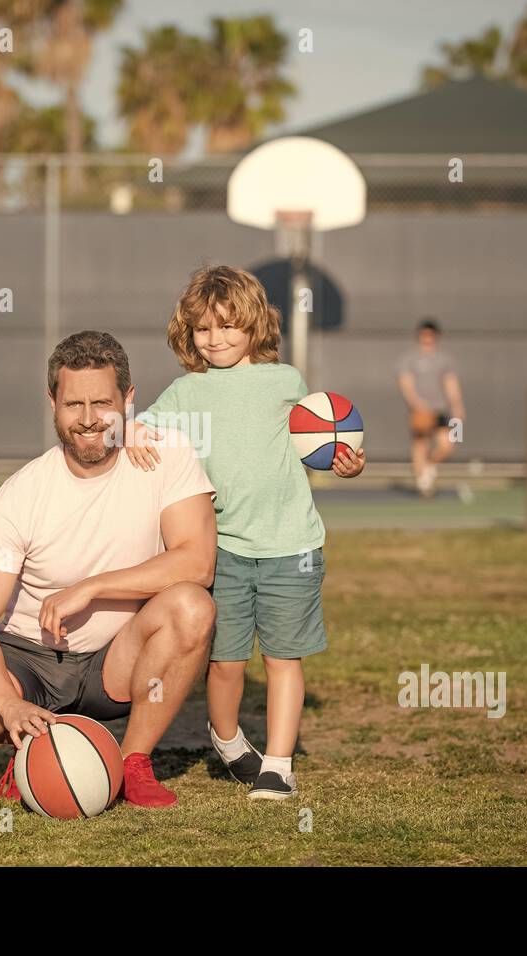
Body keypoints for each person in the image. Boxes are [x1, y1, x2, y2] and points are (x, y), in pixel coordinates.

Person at [0, 330, 218, 809]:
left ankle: (132, 764)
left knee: (192, 606)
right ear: (52, 401)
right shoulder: (21, 495)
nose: (89, 420)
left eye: (102, 403)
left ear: (128, 400)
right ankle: (32, 742)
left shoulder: (164, 455)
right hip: (25, 658)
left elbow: (197, 561)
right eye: (73, 405)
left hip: (115, 661)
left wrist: (90, 588)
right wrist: (8, 704)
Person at [126, 265, 365, 800]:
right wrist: (132, 428)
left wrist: (345, 463)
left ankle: (278, 763)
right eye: (203, 330)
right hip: (225, 551)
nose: (215, 339)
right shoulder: (188, 392)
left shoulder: (287, 382)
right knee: (226, 663)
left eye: (228, 326)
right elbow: (143, 423)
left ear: (255, 325)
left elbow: (318, 444)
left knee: (283, 659)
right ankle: (228, 738)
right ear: (188, 335)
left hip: (291, 548)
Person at [395, 318, 465, 497]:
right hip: (419, 410)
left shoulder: (444, 359)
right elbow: (406, 385)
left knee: (447, 444)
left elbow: (451, 383)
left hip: (440, 410)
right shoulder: (409, 359)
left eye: (431, 335)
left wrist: (457, 405)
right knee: (420, 444)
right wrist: (417, 404)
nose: (427, 339)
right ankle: (422, 483)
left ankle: (429, 467)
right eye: (424, 335)